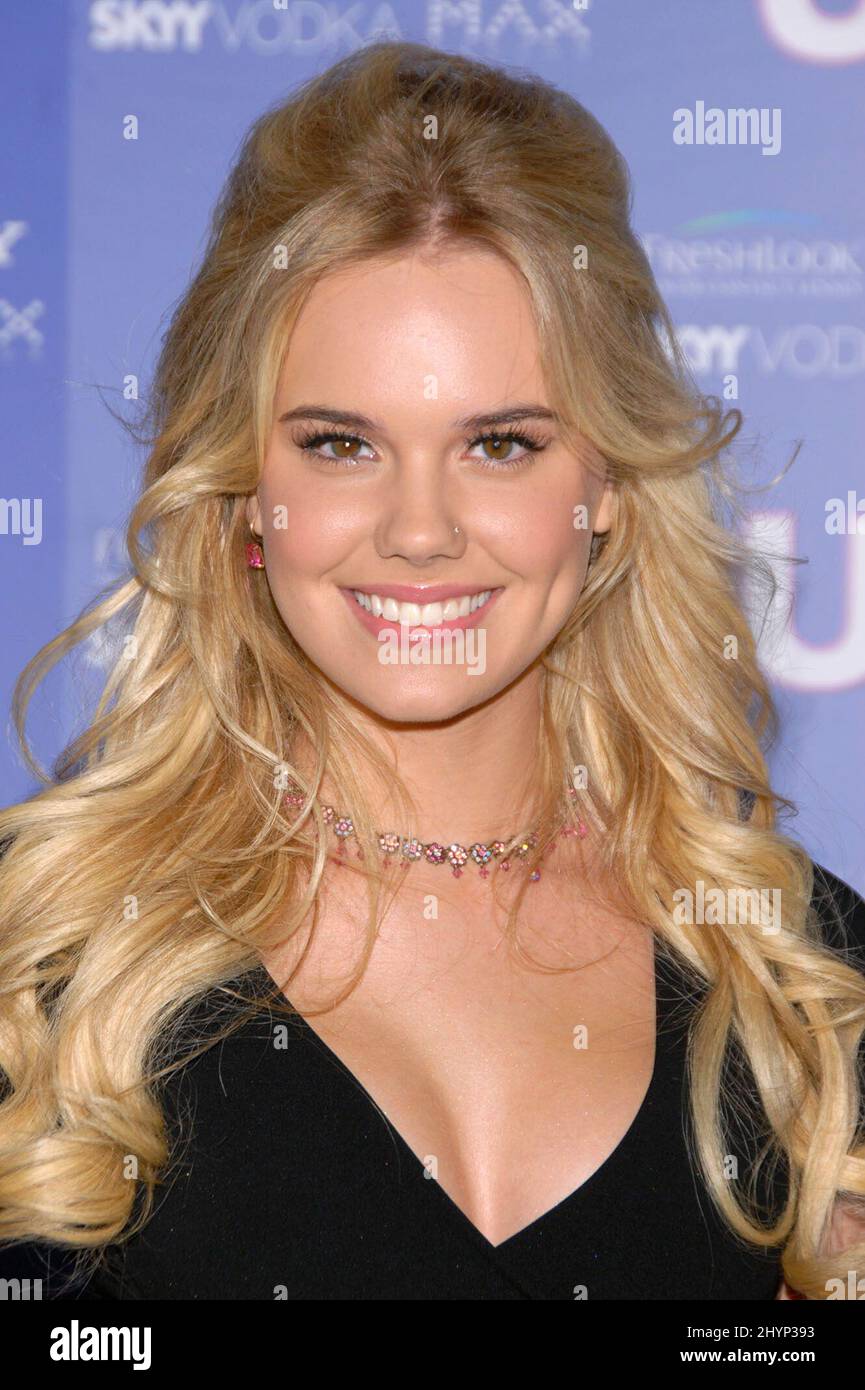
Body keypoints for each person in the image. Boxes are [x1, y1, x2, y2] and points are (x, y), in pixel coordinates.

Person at [0, 41, 863, 1303]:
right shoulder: (44, 962)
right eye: (340, 444)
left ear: (608, 486)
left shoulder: (799, 985)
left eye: (499, 444)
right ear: (242, 493)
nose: (419, 530)